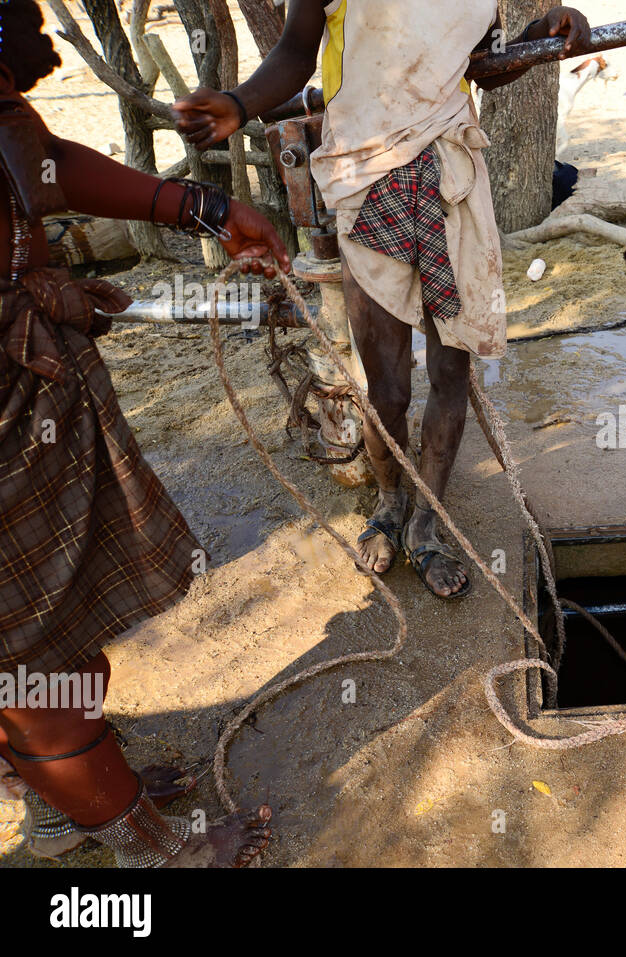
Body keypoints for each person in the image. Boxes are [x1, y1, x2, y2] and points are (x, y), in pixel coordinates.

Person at [172, 2, 591, 600]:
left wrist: (540, 33)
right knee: (387, 388)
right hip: (365, 177)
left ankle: (428, 522)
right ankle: (390, 499)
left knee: (452, 368)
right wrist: (240, 105)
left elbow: (477, 64)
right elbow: (296, 50)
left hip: (451, 175)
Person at [0, 0, 290, 865]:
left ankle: (65, 797)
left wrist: (198, 207)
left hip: (22, 380)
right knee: (26, 651)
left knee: (53, 632)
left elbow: (37, 163)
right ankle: (149, 848)